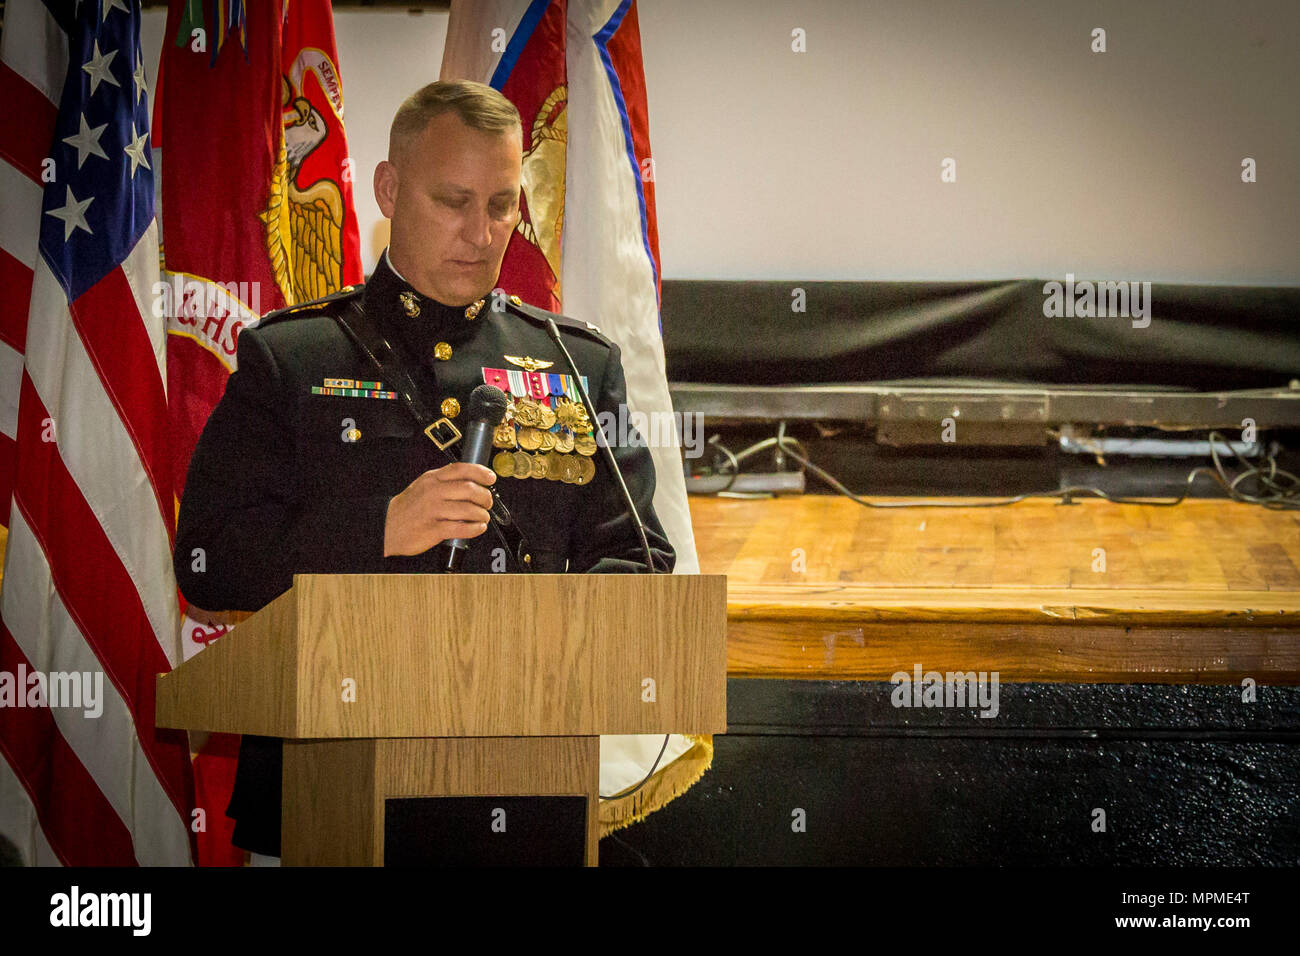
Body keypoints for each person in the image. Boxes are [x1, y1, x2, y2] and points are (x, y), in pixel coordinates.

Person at [173, 80, 675, 859]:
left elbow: (639, 558)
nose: (481, 232)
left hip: (530, 795)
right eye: (453, 201)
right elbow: (210, 555)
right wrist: (378, 529)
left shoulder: (576, 364)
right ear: (388, 187)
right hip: (329, 797)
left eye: (503, 205)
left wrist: (548, 645)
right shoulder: (294, 357)